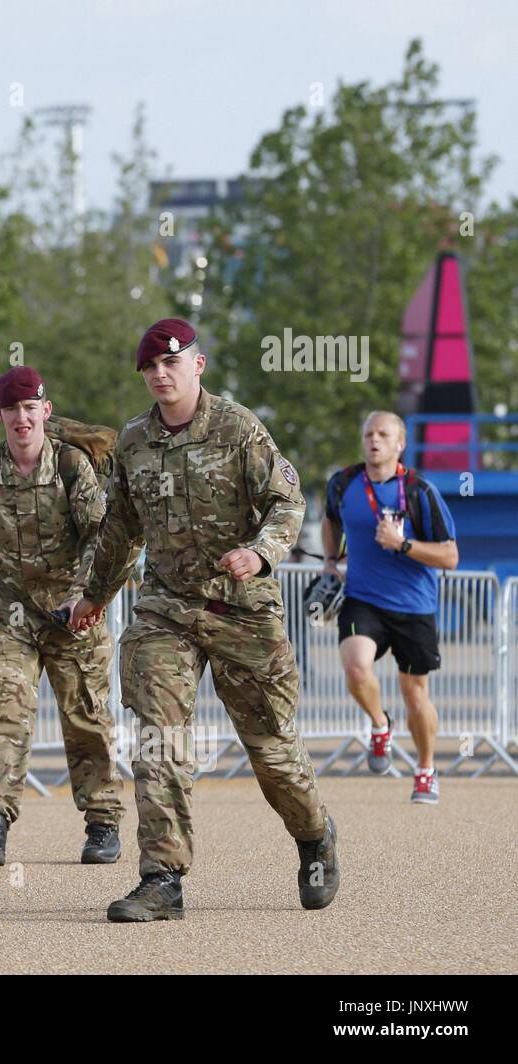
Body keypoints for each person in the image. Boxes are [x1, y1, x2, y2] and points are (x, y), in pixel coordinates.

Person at [72, 318, 338, 922]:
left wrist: (261, 552)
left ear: (199, 365)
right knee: (160, 738)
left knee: (271, 750)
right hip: (168, 608)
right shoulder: (135, 442)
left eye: (173, 363)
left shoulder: (240, 429)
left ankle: (314, 835)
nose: (161, 375)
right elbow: (120, 530)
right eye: (150, 367)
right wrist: (94, 595)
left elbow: (286, 502)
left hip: (244, 611)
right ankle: (162, 878)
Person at [0, 366, 124, 867]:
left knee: (85, 717)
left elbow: (99, 537)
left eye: (31, 409)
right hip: (12, 616)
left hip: (73, 615)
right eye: (12, 410)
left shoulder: (71, 466)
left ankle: (103, 821)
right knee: (3, 706)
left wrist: (90, 597)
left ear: (45, 411)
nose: (22, 419)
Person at [322, 411, 458, 802]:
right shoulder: (343, 483)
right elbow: (331, 520)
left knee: (415, 695)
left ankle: (426, 768)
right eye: (368, 433)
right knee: (355, 666)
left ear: (400, 444)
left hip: (414, 606)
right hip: (363, 598)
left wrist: (404, 544)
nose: (374, 439)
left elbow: (450, 556)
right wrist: (331, 559)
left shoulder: (420, 491)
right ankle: (380, 725)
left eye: (383, 434)